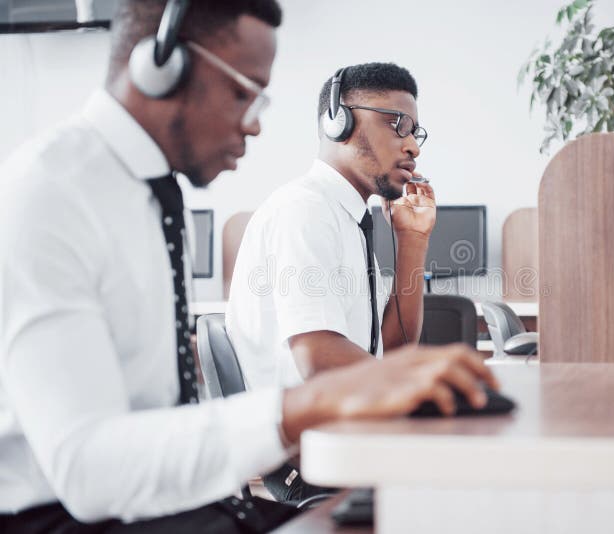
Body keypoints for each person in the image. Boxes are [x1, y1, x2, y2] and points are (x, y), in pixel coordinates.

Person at [0, 1, 496, 532]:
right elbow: (87, 469)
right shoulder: (50, 193)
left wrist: (410, 245)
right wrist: (326, 398)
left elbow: (388, 349)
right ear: (160, 68)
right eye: (243, 91)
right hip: (71, 517)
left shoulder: (149, 197)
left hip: (178, 492)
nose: (257, 125)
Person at [227, 62, 434, 393]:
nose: (413, 147)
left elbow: (390, 351)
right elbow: (318, 359)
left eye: (415, 132)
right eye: (397, 125)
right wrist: (420, 385)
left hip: (345, 422)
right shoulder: (305, 211)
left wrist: (412, 240)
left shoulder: (347, 218)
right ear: (339, 123)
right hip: (308, 437)